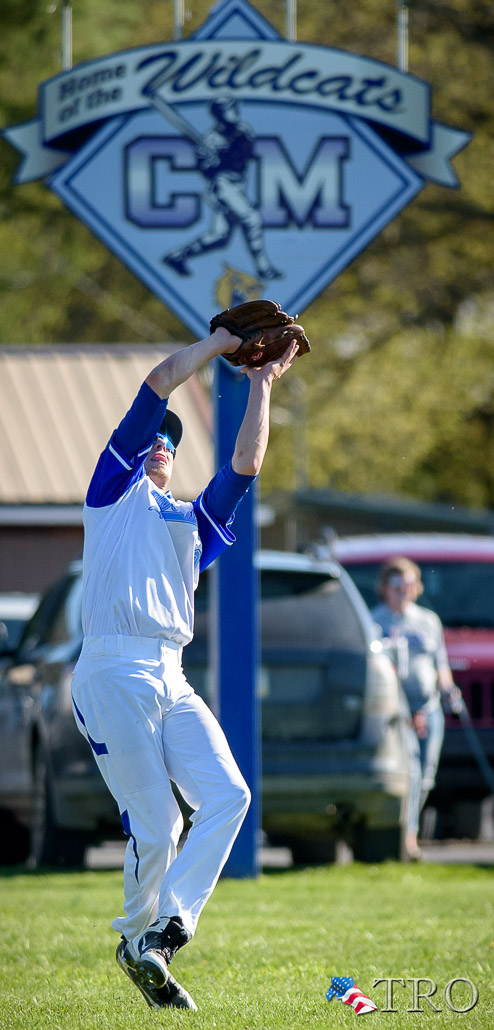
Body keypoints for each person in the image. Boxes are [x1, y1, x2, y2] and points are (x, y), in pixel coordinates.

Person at [70, 327, 300, 1010]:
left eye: (171, 439)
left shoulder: (188, 523)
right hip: (112, 668)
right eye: (153, 438)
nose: (160, 444)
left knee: (229, 795)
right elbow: (162, 379)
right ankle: (135, 937)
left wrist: (262, 386)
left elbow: (245, 469)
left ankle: (164, 936)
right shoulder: (112, 489)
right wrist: (220, 343)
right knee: (159, 825)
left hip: (171, 674)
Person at [371, 556, 460, 861]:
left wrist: (448, 689)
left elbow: (440, 664)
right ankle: (406, 839)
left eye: (408, 584)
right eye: (396, 585)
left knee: (426, 776)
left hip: (429, 707)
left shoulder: (427, 621)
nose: (402, 591)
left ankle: (408, 830)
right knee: (409, 771)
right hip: (396, 712)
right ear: (384, 588)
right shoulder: (375, 621)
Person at [163, 95, 281, 281]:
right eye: (228, 109)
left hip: (239, 183)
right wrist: (209, 161)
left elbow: (244, 151)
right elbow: (206, 171)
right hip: (222, 185)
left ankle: (177, 256)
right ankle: (263, 268)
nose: (234, 112)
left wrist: (224, 153)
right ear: (219, 114)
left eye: (234, 108)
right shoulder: (210, 140)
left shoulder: (243, 130)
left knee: (220, 237)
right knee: (252, 219)